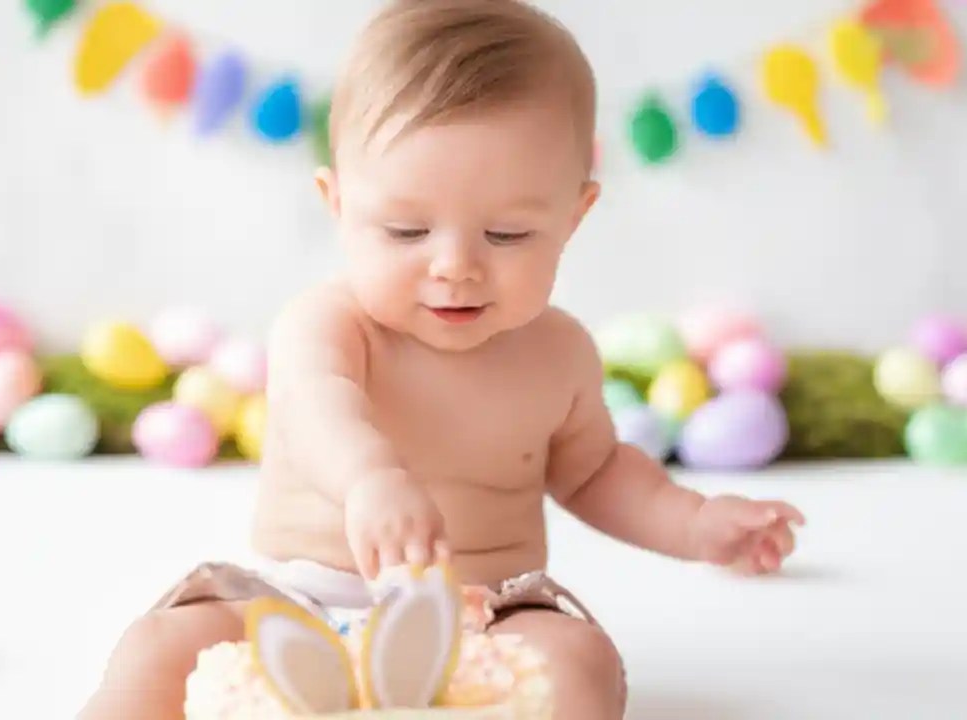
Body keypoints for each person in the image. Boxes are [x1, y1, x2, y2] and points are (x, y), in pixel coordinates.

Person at [79, 1, 805, 718]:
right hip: (296, 604)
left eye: (507, 234)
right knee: (160, 645)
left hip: (484, 617)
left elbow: (597, 471)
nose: (455, 265)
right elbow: (318, 407)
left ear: (573, 217)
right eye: (405, 230)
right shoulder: (330, 326)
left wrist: (695, 522)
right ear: (337, 205)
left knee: (582, 661)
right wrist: (370, 478)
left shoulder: (559, 353)